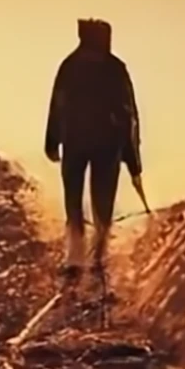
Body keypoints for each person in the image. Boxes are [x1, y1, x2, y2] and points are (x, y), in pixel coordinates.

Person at [44, 18, 142, 278]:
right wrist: (133, 162)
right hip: (107, 147)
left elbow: (57, 106)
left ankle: (76, 258)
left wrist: (52, 142)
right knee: (102, 201)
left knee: (73, 201)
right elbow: (128, 116)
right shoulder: (114, 68)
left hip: (75, 143)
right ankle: (98, 255)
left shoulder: (70, 65)